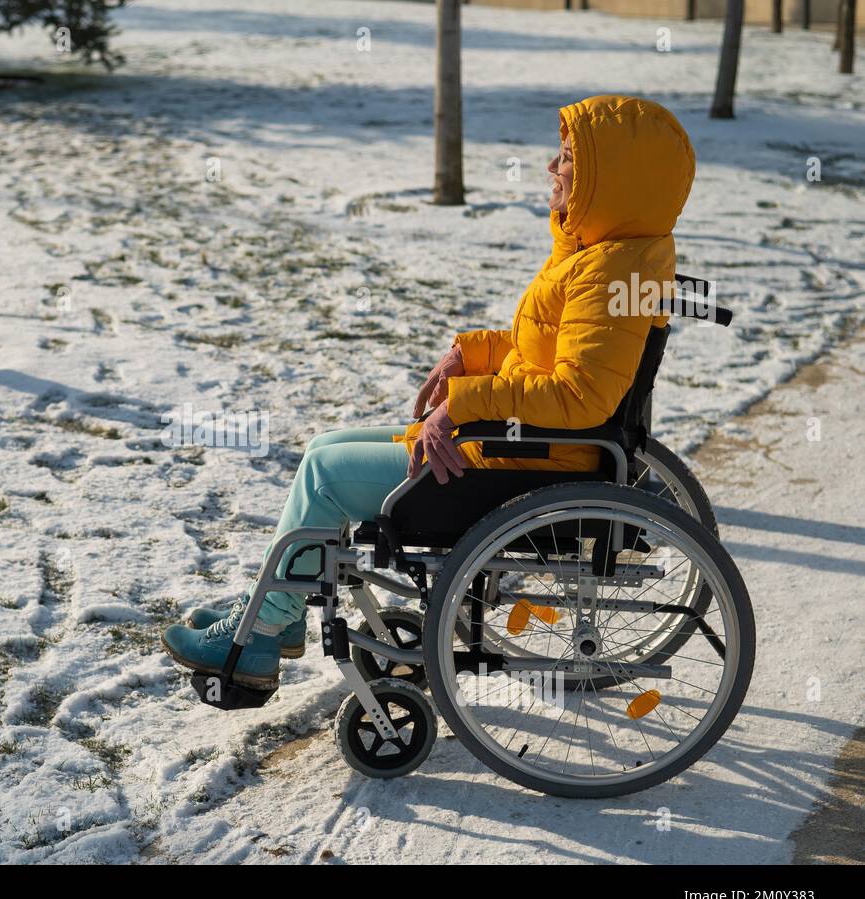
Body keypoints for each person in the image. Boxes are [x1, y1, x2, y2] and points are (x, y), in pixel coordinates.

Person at [163, 95, 697, 689]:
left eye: (568, 157)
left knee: (326, 478)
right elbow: (541, 349)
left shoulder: (610, 270)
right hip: (516, 446)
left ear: (609, 181)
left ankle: (259, 637)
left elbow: (578, 396)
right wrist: (468, 354)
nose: (552, 166)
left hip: (522, 464)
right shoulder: (605, 257)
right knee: (323, 446)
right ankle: (280, 615)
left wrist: (465, 403)